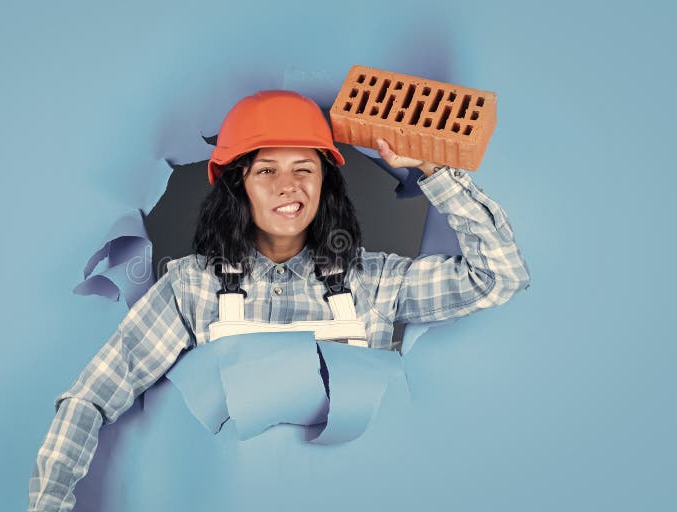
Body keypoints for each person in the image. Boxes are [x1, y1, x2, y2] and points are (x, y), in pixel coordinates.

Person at [27, 90, 530, 511]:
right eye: (266, 170)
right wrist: (49, 503)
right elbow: (93, 395)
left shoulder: (373, 281)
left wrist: (433, 173)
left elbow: (497, 275)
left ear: (323, 184)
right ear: (237, 186)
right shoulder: (192, 287)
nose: (288, 186)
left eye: (303, 169)